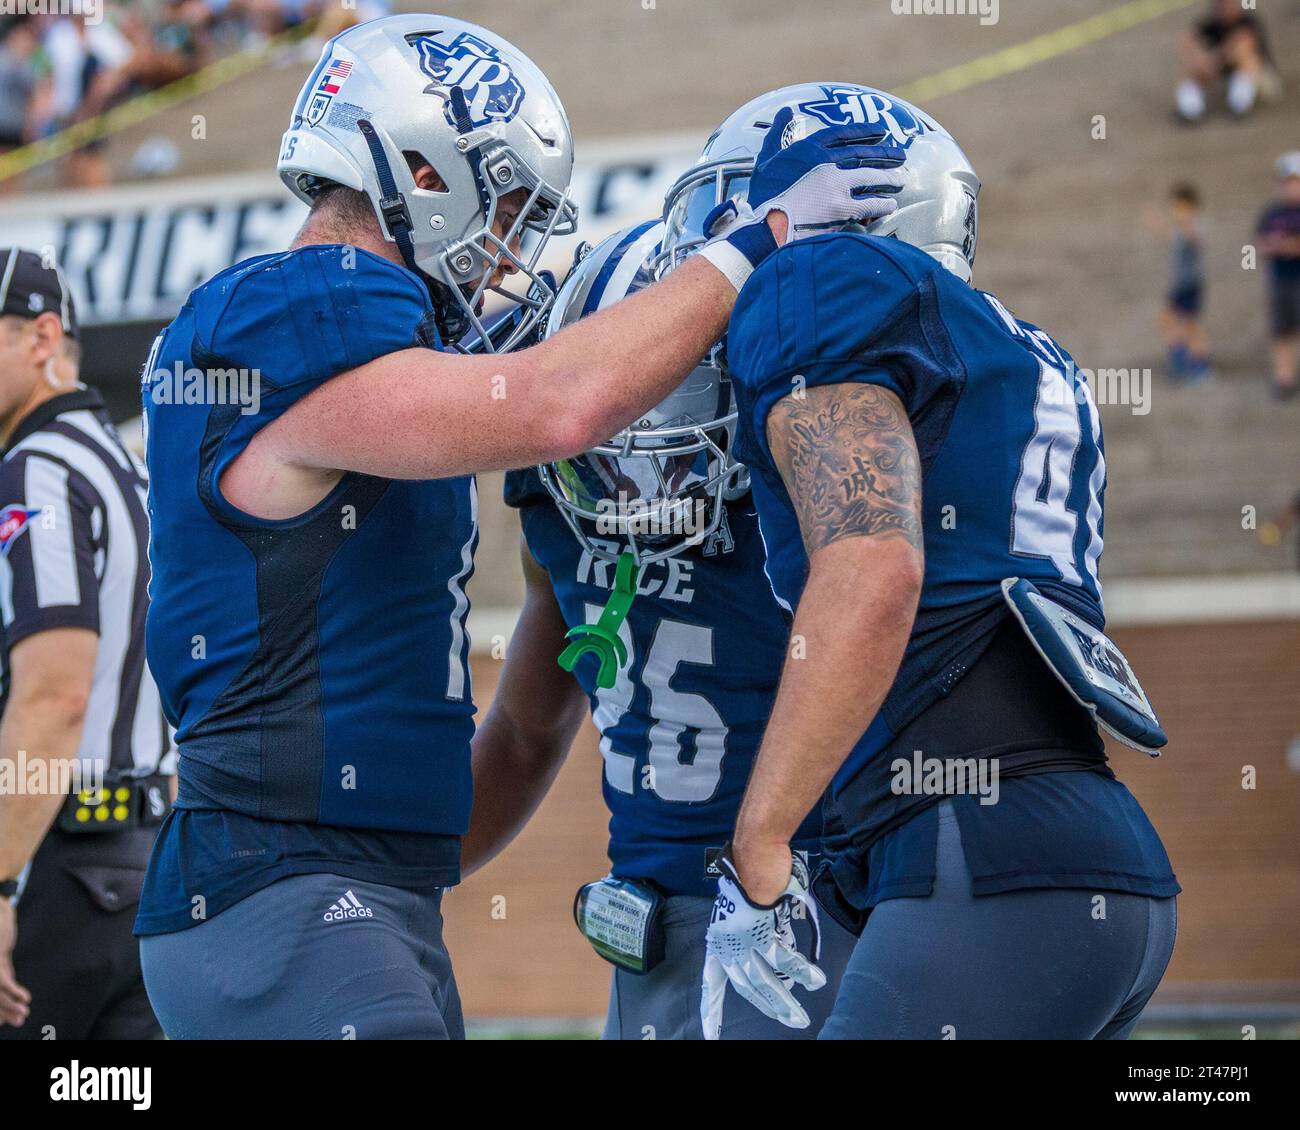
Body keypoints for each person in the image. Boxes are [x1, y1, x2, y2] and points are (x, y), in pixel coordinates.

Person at [132, 16, 906, 1039]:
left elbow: (518, 731)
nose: (509, 248)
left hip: (350, 895)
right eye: (503, 206)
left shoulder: (379, 363)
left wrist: (405, 855)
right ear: (417, 165)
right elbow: (558, 403)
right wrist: (753, 242)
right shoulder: (287, 308)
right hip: (282, 887)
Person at [664, 85, 1179, 1040]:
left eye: (736, 207)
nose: (713, 245)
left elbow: (874, 569)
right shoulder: (1021, 348)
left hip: (976, 870)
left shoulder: (822, 283)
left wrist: (759, 842)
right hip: (1076, 863)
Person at [464, 221, 854, 1040]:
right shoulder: (555, 509)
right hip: (646, 918)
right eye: (618, 419)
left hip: (804, 902)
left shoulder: (803, 508)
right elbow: (525, 730)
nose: (642, 470)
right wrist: (397, 870)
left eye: (669, 419)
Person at [0, 250, 173, 1041]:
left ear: (41, 336)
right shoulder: (126, 470)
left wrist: (0, 883)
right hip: (150, 864)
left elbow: (55, 695)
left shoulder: (37, 470)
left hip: (59, 865)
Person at [1176, 0, 1273, 123]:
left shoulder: (1247, 22)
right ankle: (1190, 109)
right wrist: (1201, 60)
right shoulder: (1213, 24)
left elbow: (1244, 42)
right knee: (1193, 65)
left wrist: (1216, 60)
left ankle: (1241, 103)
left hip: (1263, 78)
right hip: (1227, 76)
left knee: (1244, 54)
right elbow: (1187, 40)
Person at [1257, 153, 1300, 401]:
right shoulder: (1271, 213)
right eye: (1286, 182)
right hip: (1279, 281)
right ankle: (1283, 379)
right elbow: (1255, 248)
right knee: (1281, 331)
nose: (1290, 187)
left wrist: (1282, 245)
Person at [1160, 184, 1211, 382]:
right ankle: (1181, 357)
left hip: (1190, 284)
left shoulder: (1194, 225)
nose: (1175, 210)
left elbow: (1198, 241)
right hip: (1181, 284)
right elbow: (1170, 238)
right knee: (1167, 319)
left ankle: (1199, 365)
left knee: (1190, 326)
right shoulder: (1180, 227)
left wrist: (1187, 223)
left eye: (1178, 206)